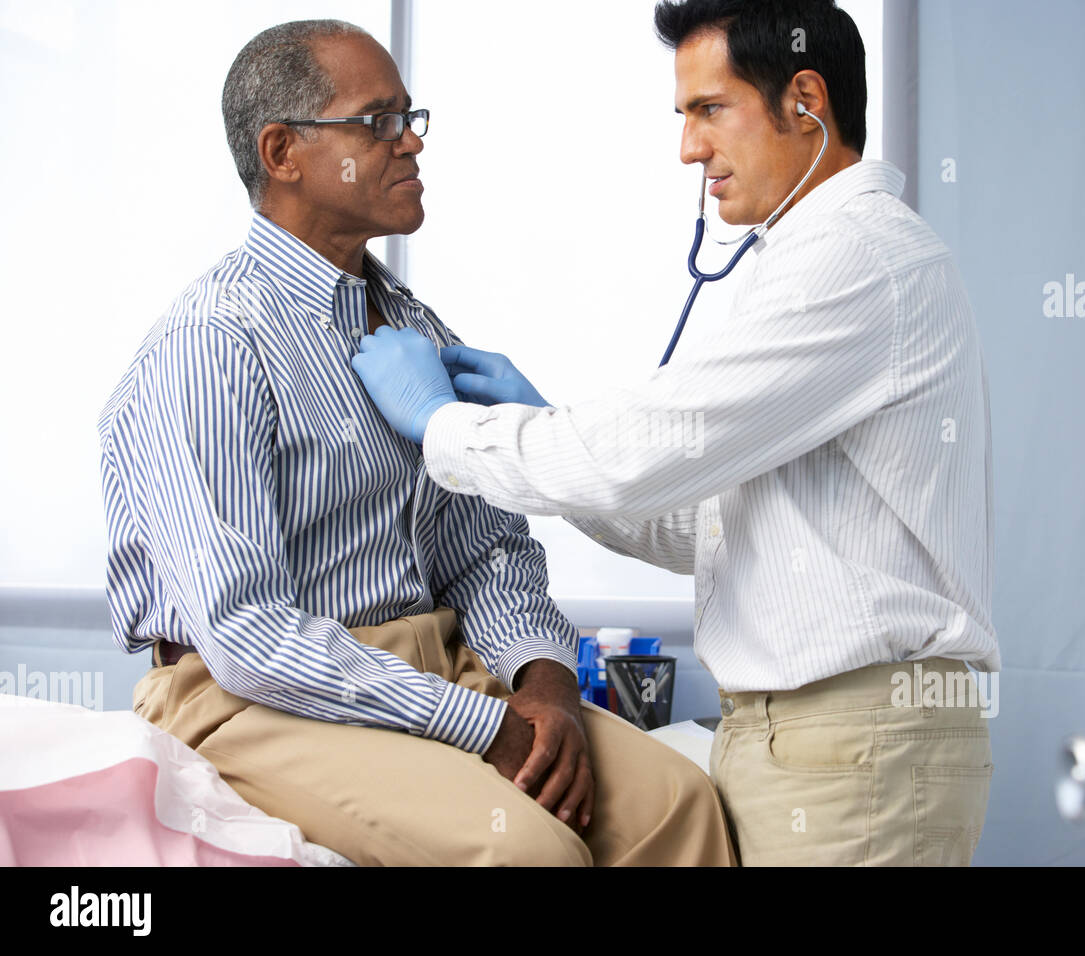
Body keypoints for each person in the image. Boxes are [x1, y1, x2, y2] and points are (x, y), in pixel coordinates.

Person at [351, 0, 998, 866]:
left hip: (853, 745)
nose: (689, 150)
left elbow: (635, 459)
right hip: (811, 742)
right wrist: (538, 429)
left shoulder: (854, 260)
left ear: (806, 100)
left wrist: (447, 427)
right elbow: (713, 527)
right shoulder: (813, 258)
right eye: (683, 116)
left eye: (709, 110)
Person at [96, 18, 735, 867]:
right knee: (528, 852)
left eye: (411, 118)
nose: (412, 145)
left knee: (681, 804)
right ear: (282, 151)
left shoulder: (415, 329)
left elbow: (485, 552)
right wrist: (484, 725)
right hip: (253, 697)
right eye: (379, 122)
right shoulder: (212, 343)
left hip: (436, 669)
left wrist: (545, 685)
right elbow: (245, 631)